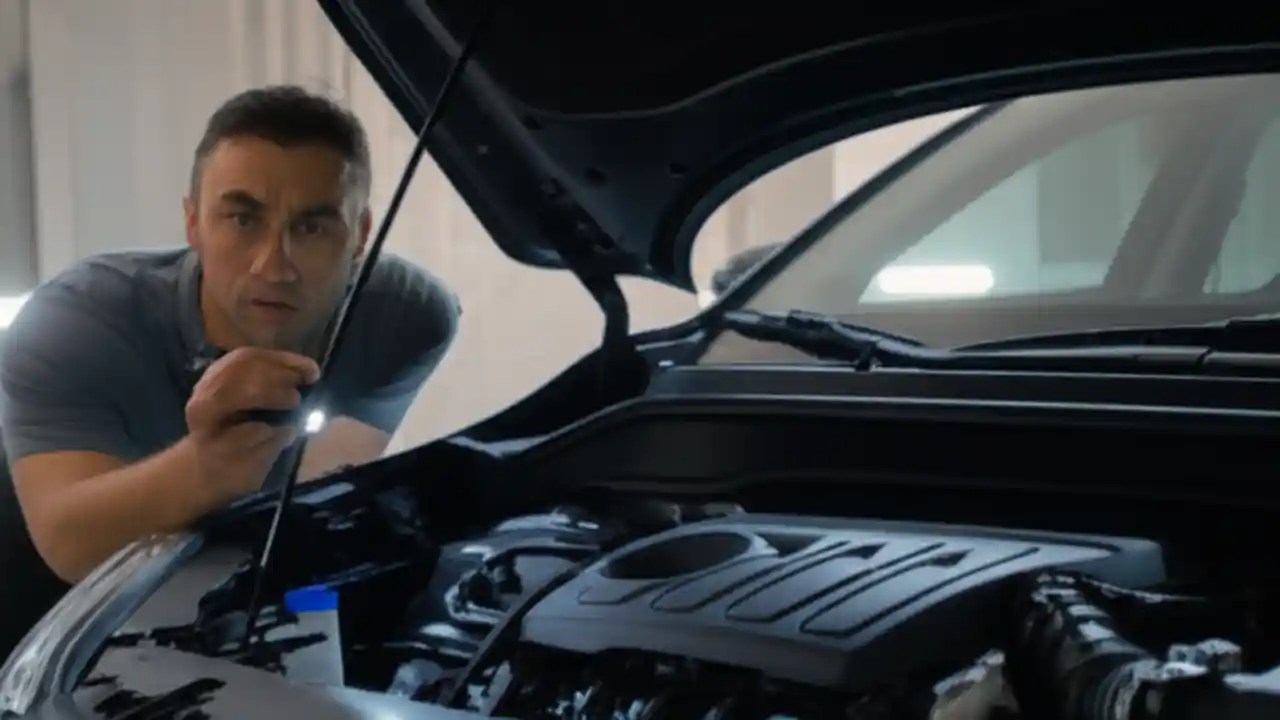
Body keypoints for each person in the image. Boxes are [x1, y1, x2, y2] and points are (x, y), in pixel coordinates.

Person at [0, 85, 461, 584]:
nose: (273, 267)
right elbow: (68, 545)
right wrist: (207, 467)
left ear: (361, 237)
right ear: (193, 223)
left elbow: (306, 504)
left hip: (238, 574)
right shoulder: (74, 323)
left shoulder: (407, 318)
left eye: (311, 228)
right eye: (243, 219)